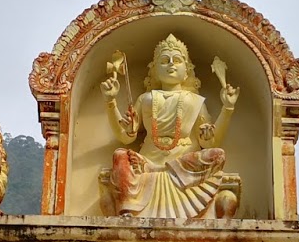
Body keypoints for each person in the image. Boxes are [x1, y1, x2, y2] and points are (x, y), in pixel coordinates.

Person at [100, 34, 240, 220]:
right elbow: (127, 136)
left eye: (177, 60)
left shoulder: (194, 101)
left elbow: (210, 142)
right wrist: (111, 102)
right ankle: (131, 205)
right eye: (164, 61)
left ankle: (160, 170)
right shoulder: (146, 99)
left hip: (184, 168)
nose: (171, 64)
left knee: (217, 155)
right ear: (155, 69)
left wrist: (227, 108)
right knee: (120, 155)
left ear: (187, 69)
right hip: (146, 162)